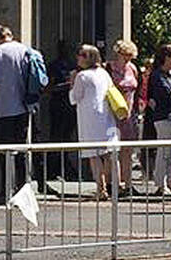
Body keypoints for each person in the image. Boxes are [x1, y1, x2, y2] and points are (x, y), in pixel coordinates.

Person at [0, 25, 29, 204]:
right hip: (24, 107)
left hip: (4, 109)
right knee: (21, 151)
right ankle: (23, 191)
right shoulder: (26, 50)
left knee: (4, 151)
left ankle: (5, 191)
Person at [69, 44, 119, 200]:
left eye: (82, 55)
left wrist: (71, 83)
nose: (78, 57)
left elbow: (74, 97)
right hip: (106, 115)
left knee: (93, 154)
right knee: (109, 152)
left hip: (89, 118)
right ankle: (112, 185)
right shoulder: (104, 73)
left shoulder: (82, 76)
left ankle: (100, 187)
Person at [147, 43, 171, 196]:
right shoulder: (157, 75)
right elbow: (166, 94)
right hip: (163, 117)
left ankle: (170, 182)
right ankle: (160, 184)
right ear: (166, 58)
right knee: (164, 151)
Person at [107, 38, 140, 193]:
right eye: (125, 55)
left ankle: (128, 183)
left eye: (130, 56)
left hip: (130, 112)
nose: (127, 59)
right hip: (113, 113)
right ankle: (114, 182)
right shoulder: (109, 68)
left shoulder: (132, 68)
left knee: (128, 149)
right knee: (113, 149)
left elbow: (137, 88)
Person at [47, 40, 77, 181]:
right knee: (57, 137)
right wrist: (64, 86)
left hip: (68, 105)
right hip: (59, 104)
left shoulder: (74, 66)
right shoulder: (55, 65)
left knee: (65, 137)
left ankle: (64, 168)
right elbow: (49, 86)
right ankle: (54, 169)